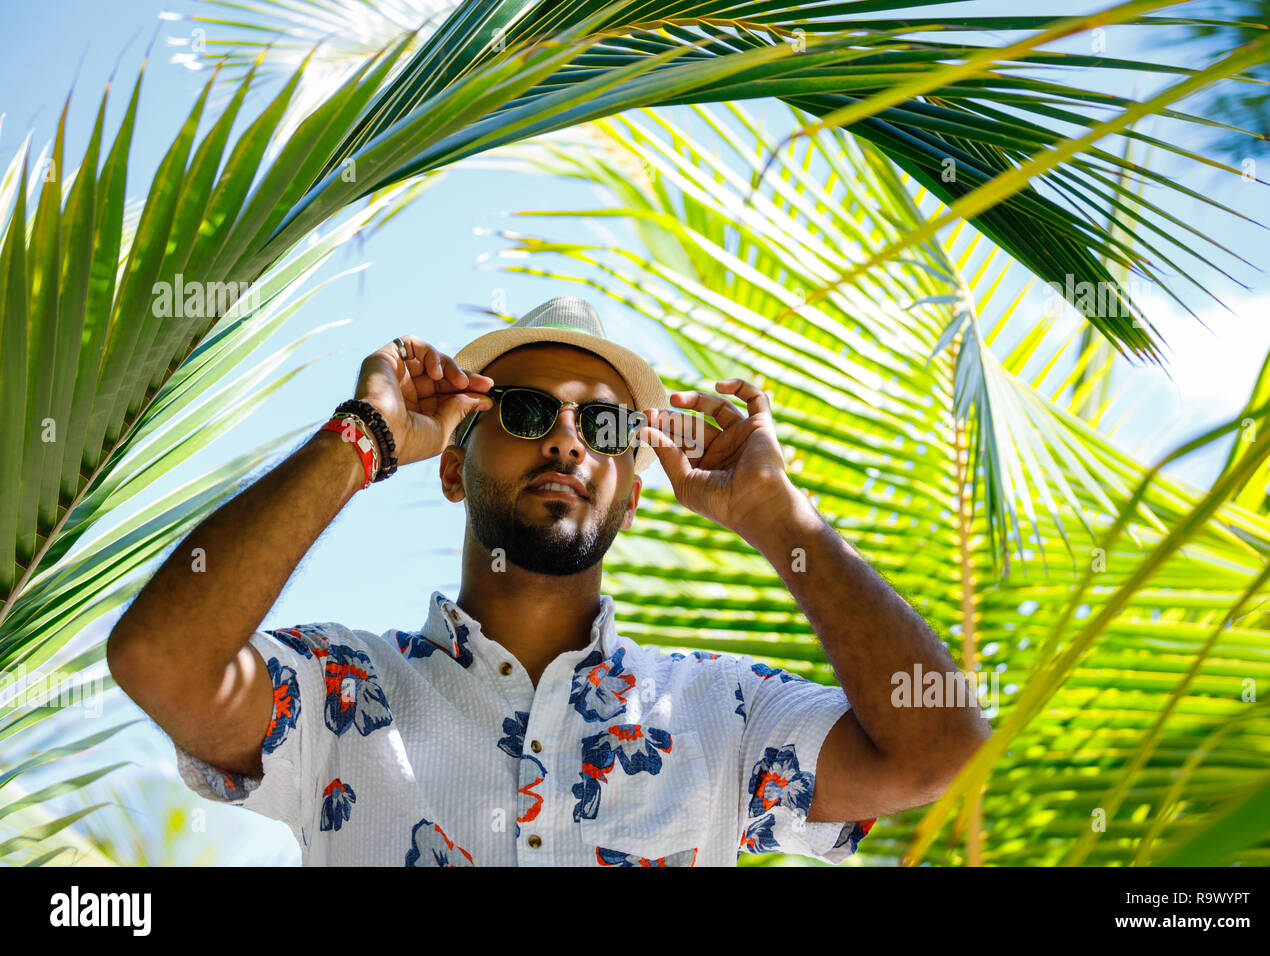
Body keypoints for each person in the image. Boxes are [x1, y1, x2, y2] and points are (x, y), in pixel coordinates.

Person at [106, 296, 991, 866]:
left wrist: (777, 518)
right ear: (452, 469)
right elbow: (160, 658)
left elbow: (940, 750)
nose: (567, 441)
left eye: (604, 426)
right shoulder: (342, 695)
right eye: (527, 413)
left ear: (634, 493)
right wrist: (364, 437)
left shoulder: (725, 715)